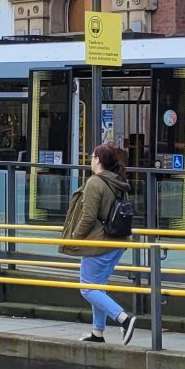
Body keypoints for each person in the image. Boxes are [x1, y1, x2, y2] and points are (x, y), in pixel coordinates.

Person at [60, 142, 139, 345]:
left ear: (99, 160)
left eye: (93, 156)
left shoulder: (95, 182)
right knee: (97, 288)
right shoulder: (117, 181)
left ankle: (124, 319)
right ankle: (97, 332)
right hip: (117, 241)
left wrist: (75, 237)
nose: (91, 159)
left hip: (99, 242)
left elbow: (88, 216)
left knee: (87, 288)